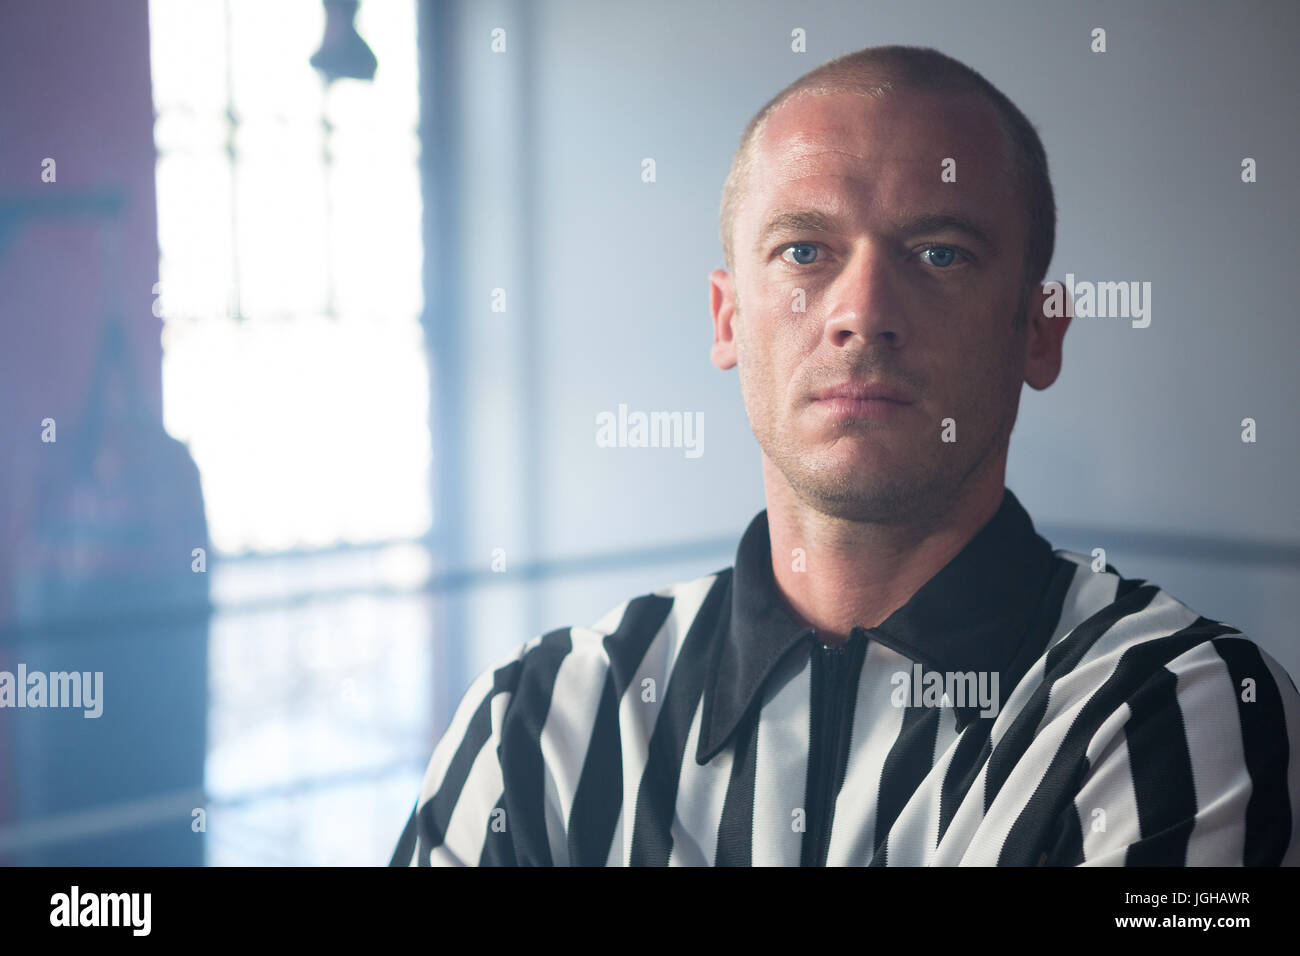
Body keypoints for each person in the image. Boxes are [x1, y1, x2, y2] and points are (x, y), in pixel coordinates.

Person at [390, 45, 1300, 866]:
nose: (863, 310)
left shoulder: (1173, 707)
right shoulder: (537, 721)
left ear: (1040, 332)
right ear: (728, 319)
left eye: (940, 253)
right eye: (803, 250)